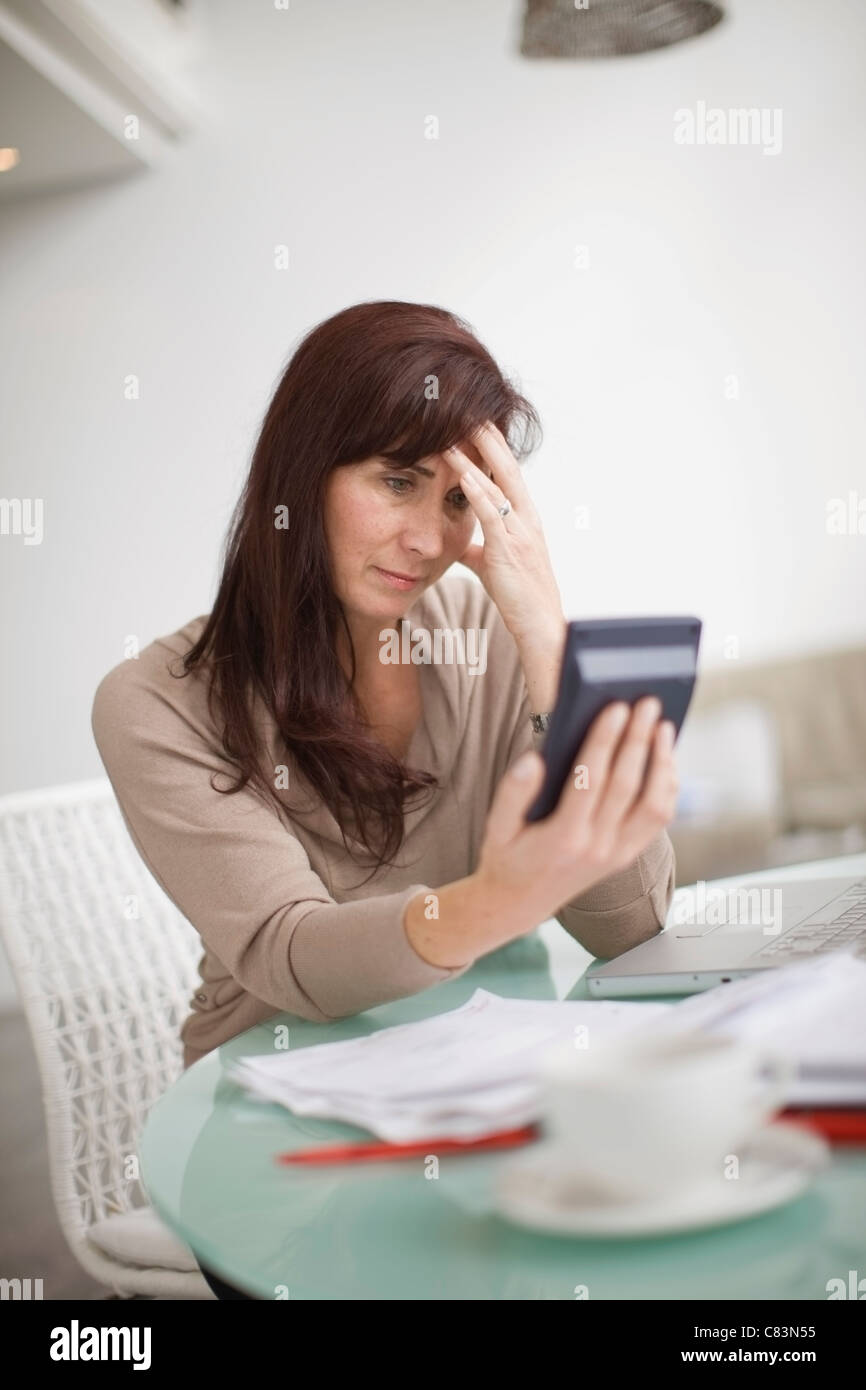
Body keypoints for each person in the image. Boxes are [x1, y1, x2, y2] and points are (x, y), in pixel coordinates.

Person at [91, 301, 679, 1299]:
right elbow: (291, 951)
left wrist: (542, 630)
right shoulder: (155, 699)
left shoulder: (483, 627)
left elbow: (631, 923)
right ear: (299, 469)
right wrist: (498, 897)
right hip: (277, 1134)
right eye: (397, 480)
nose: (429, 536)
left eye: (459, 499)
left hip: (495, 1098)